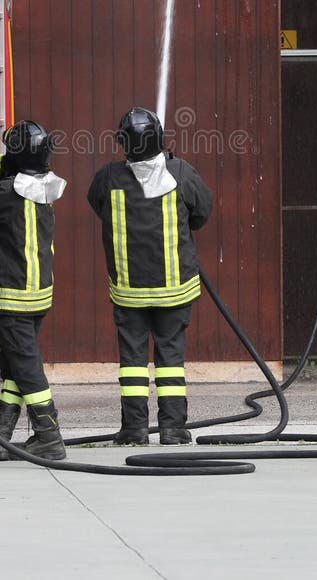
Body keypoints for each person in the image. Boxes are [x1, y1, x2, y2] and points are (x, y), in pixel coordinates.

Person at [87, 106, 212, 445]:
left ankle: (133, 430)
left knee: (132, 364)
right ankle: (172, 429)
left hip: (130, 294)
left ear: (123, 143)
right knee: (171, 360)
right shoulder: (182, 173)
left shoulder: (108, 178)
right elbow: (202, 212)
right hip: (175, 291)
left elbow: (98, 206)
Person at [0, 120, 68, 462]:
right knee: (14, 368)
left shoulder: (7, 194)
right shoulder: (40, 184)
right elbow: (3, 165)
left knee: (26, 368)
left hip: (13, 298)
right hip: (36, 297)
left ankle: (48, 435)